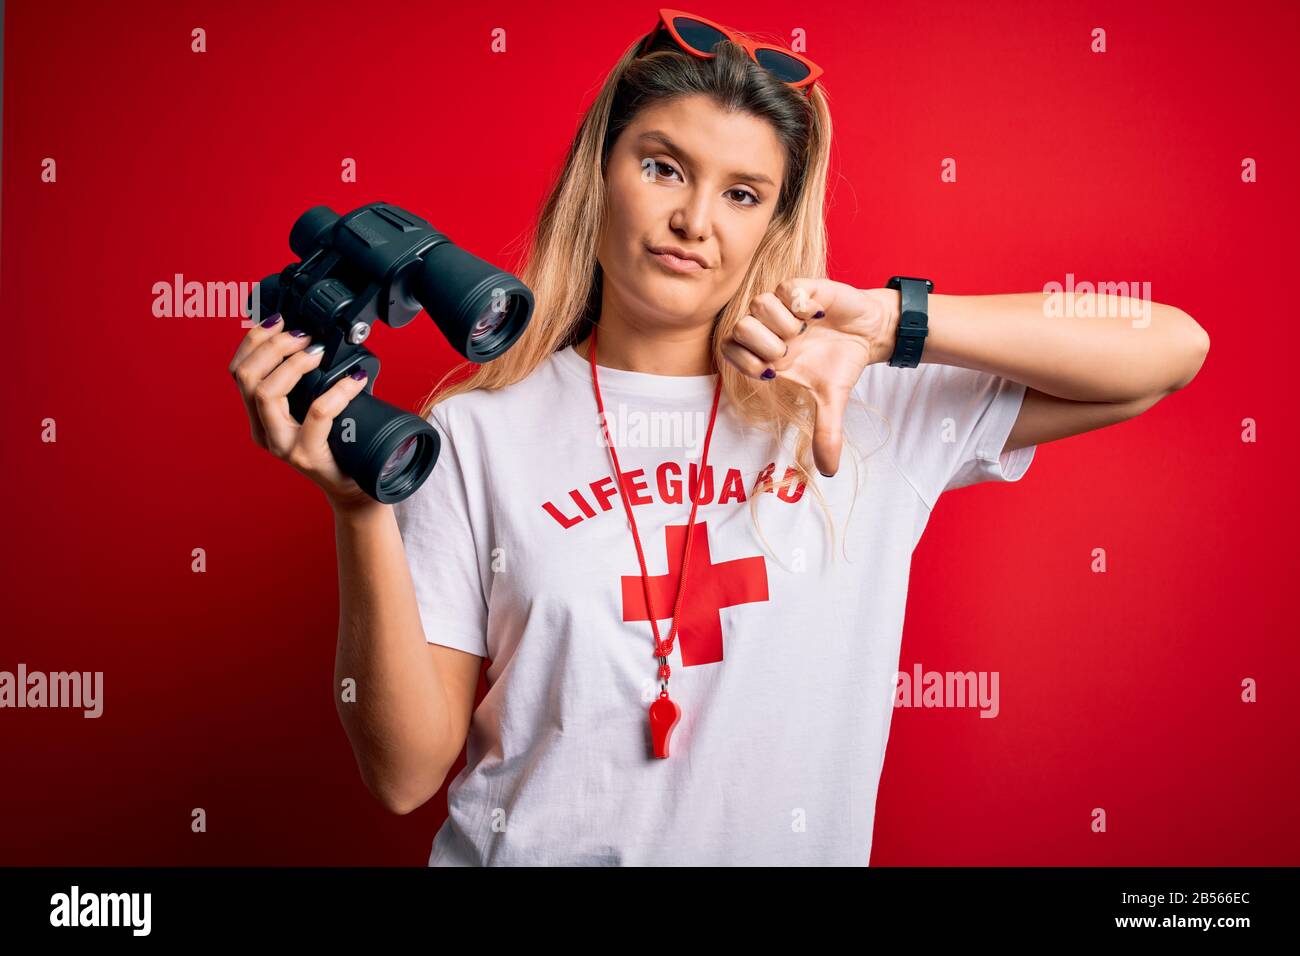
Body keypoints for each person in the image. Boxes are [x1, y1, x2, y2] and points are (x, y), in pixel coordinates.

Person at [228, 10, 1210, 866]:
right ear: (599, 175)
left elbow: (1168, 347)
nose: (694, 219)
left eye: (742, 193)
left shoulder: (858, 405)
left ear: (772, 221)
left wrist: (892, 323)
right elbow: (403, 774)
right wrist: (356, 506)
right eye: (662, 166)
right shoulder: (474, 435)